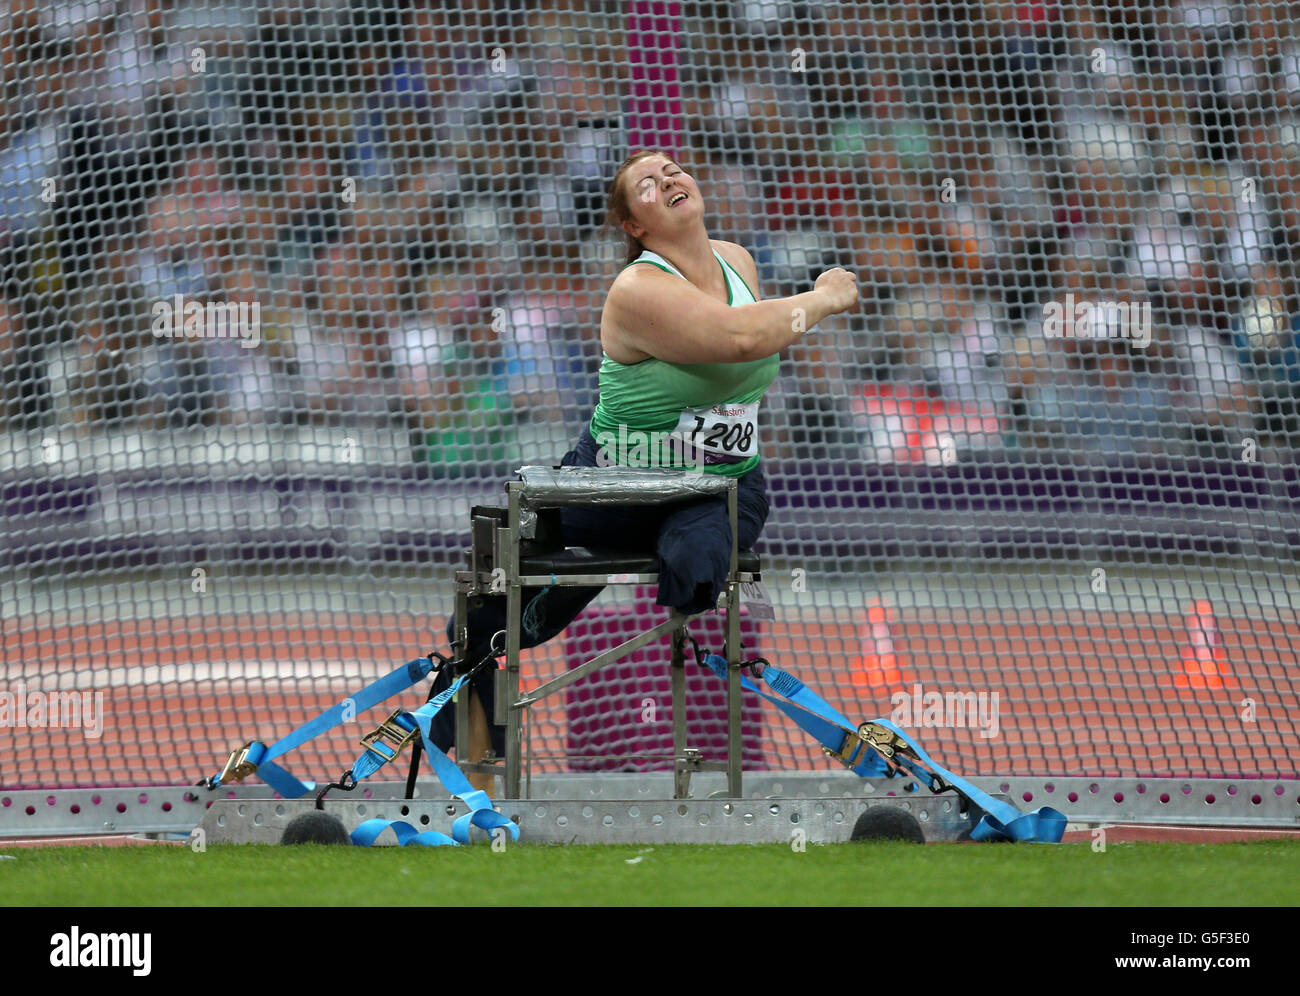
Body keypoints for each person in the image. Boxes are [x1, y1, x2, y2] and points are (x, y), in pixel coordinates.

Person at [426, 149, 860, 788]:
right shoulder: (637, 289)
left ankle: (696, 740)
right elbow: (741, 339)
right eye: (649, 186)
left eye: (674, 171)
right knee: (497, 621)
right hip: (614, 486)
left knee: (696, 570)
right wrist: (824, 296)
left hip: (721, 484)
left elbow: (748, 341)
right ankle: (472, 766)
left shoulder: (737, 261)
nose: (671, 180)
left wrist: (795, 310)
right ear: (636, 226)